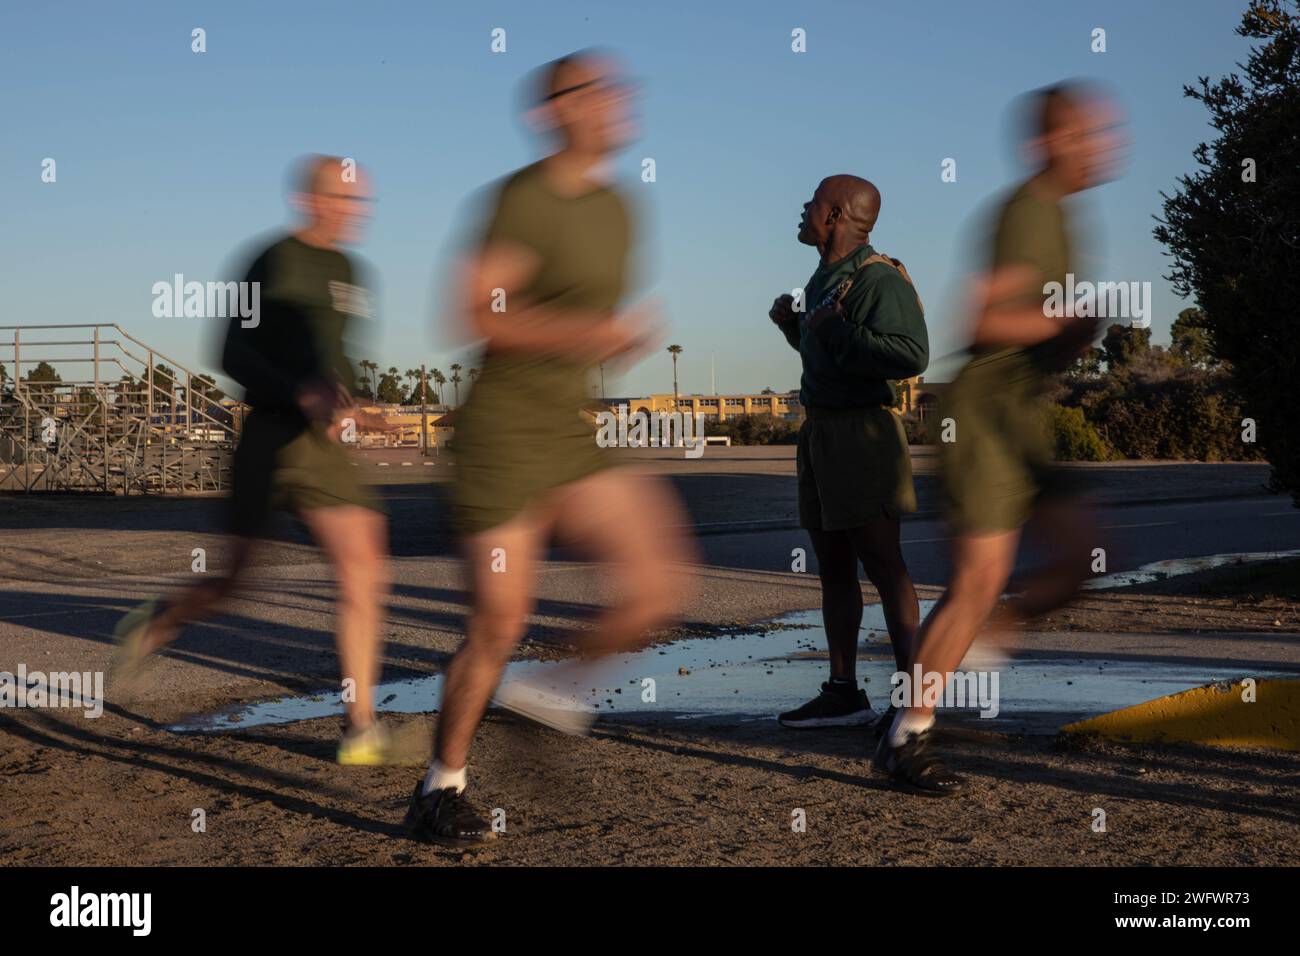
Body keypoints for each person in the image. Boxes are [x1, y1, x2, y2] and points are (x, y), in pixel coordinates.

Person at [403, 50, 696, 847]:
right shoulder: (521, 201)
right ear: (556, 108)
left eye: (621, 87)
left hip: (568, 434)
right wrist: (588, 333)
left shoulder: (620, 208)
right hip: (501, 436)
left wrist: (602, 342)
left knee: (657, 583)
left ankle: (544, 690)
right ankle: (440, 787)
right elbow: (475, 311)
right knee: (497, 622)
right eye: (598, 89)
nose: (619, 100)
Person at [112, 155, 406, 766]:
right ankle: (159, 621)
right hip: (270, 435)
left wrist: (360, 404)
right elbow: (229, 350)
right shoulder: (267, 260)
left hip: (321, 445)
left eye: (363, 203)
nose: (357, 214)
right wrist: (296, 391)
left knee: (366, 569)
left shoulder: (352, 267)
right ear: (313, 200)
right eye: (346, 200)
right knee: (234, 580)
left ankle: (359, 728)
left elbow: (337, 356)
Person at [876, 82, 1124, 796]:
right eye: (1087, 133)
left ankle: (972, 649)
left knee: (1083, 557)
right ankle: (906, 734)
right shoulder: (1029, 211)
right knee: (978, 583)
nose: (1103, 145)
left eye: (1105, 133)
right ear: (1050, 142)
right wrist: (1069, 325)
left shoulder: (1066, 218)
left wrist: (1069, 332)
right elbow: (983, 318)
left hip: (1021, 419)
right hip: (985, 418)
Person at [768, 175, 928, 732]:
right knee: (834, 568)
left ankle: (911, 704)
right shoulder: (823, 278)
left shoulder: (878, 277)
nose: (803, 209)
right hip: (822, 435)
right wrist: (796, 329)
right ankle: (843, 694)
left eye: (811, 202)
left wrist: (834, 329)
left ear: (834, 215)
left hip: (864, 438)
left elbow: (910, 354)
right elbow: (836, 352)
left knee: (885, 566)